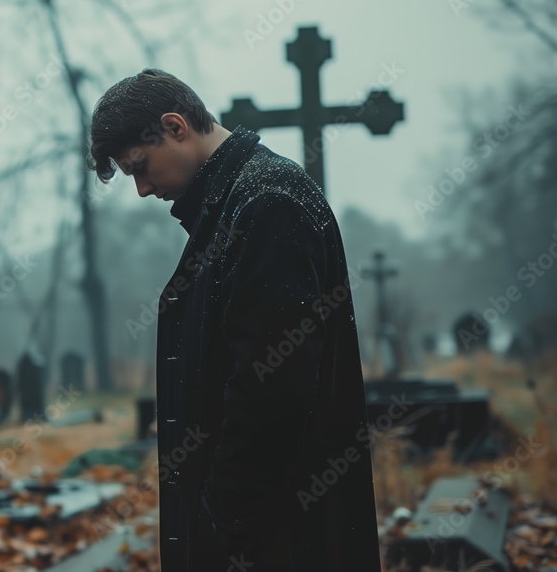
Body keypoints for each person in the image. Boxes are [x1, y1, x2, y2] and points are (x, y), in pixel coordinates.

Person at [87, 68, 382, 571]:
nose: (140, 189)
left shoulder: (267, 204)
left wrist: (221, 523)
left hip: (275, 543)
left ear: (176, 127)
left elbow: (271, 391)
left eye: (140, 166)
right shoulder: (235, 205)